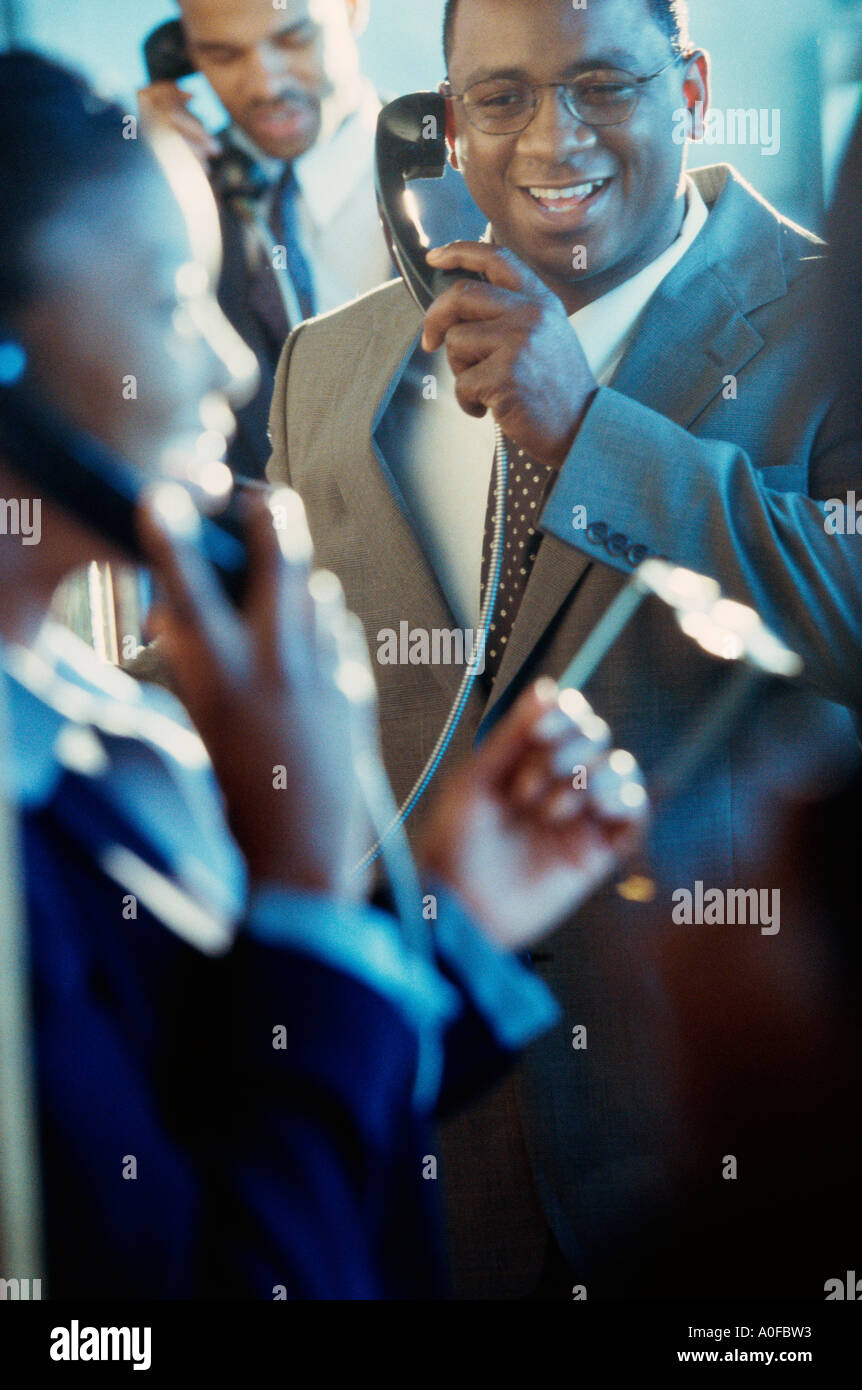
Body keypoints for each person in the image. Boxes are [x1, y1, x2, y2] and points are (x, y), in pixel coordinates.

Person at [0, 51, 647, 1300]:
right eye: (167, 296)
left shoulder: (96, 739)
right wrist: (301, 872)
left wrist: (440, 923)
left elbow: (236, 1122)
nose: (226, 367)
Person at [266, 0, 862, 1296]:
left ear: (692, 87)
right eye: (500, 98)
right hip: (425, 1145)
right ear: (439, 119)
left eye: (602, 85)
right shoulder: (328, 364)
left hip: (708, 1137)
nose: (554, 136)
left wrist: (585, 429)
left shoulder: (836, 326)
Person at [139, 0, 482, 479]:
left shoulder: (481, 188)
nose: (267, 85)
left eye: (295, 39)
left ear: (354, 9)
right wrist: (128, 183)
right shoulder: (158, 200)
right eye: (222, 54)